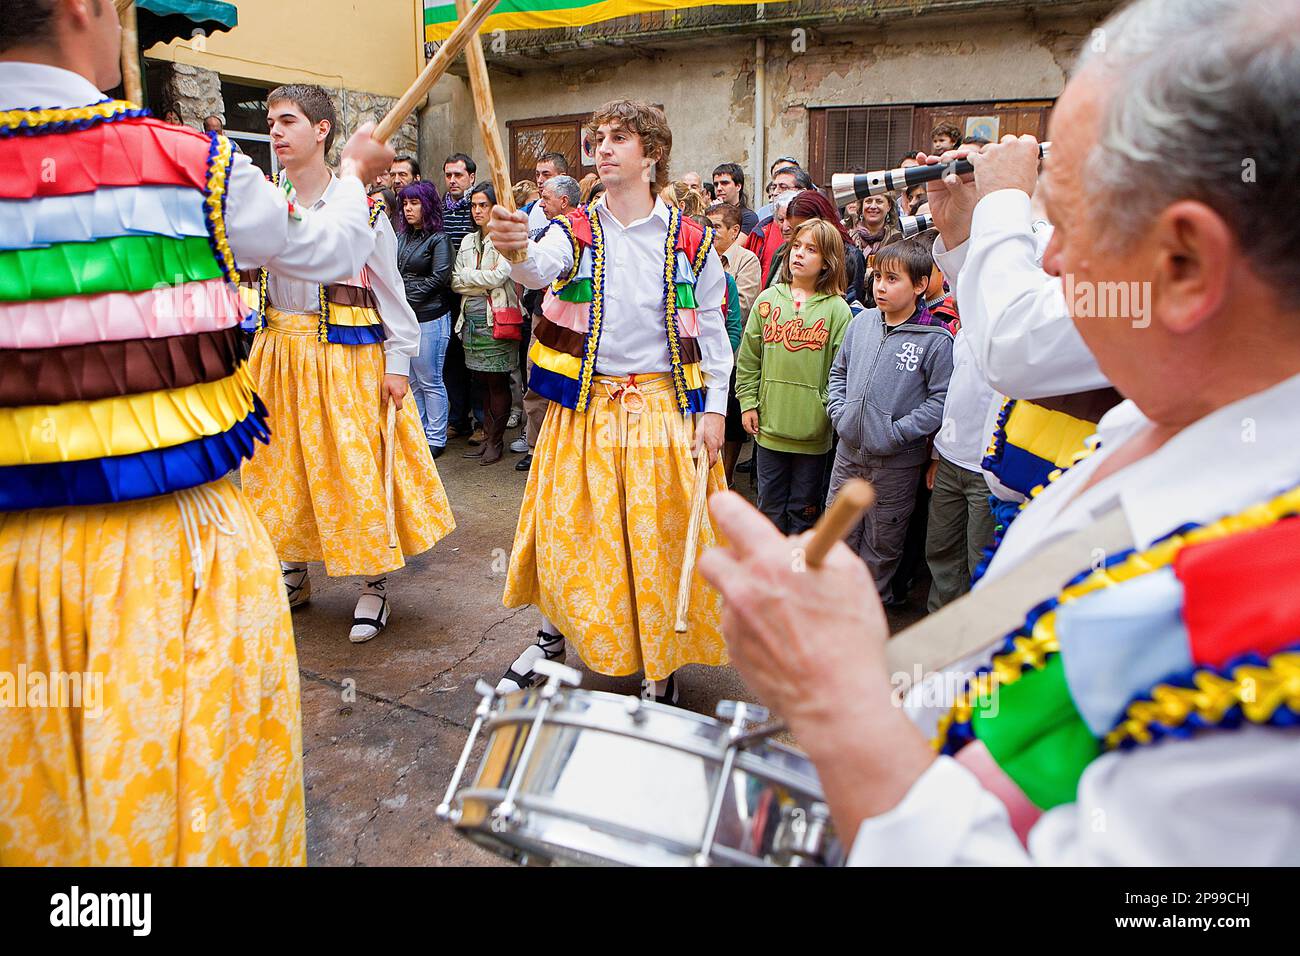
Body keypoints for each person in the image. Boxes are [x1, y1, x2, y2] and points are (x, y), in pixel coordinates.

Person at [701, 0, 1300, 867]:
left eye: (1067, 222)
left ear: (1184, 265)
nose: (1049, 260)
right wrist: (871, 666)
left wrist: (835, 701)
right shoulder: (1162, 419)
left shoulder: (1269, 617)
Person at [0, 0, 396, 865]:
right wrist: (361, 173)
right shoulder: (192, 167)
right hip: (157, 565)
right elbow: (324, 250)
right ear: (86, 8)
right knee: (176, 800)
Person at [487, 99, 733, 706]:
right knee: (567, 527)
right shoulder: (572, 230)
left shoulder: (694, 243)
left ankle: (659, 659)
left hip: (662, 408)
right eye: (598, 137)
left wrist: (716, 412)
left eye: (619, 138)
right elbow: (537, 271)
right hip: (586, 406)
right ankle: (551, 640)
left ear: (652, 153)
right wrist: (516, 247)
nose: (602, 147)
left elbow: (715, 334)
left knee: (657, 538)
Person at [240, 84, 455, 644]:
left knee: (352, 471)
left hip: (346, 360)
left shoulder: (365, 208)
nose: (276, 131)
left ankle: (373, 581)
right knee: (278, 470)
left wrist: (400, 361)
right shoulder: (264, 199)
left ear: (322, 131)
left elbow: (391, 291)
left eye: (288, 120)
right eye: (271, 120)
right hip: (277, 357)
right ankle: (292, 570)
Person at [825, 239, 954, 594]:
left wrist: (896, 433)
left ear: (919, 285)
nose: (881, 286)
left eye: (893, 279)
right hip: (848, 454)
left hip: (895, 465)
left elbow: (941, 400)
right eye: (878, 276)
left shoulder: (936, 340)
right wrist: (839, 413)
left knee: (881, 545)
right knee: (837, 534)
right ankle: (832, 612)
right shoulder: (862, 322)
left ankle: (866, 617)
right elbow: (838, 373)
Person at [735, 220, 854, 533]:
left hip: (813, 437)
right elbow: (749, 359)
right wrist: (748, 402)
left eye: (811, 249)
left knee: (803, 512)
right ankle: (769, 576)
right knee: (768, 509)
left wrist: (823, 409)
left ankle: (797, 574)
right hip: (769, 428)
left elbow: (841, 372)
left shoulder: (838, 310)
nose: (799, 254)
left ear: (827, 261)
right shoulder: (767, 300)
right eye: (797, 246)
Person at [514, 173, 582, 472]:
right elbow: (537, 269)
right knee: (539, 381)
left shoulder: (586, 230)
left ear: (564, 201)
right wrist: (514, 246)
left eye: (547, 198)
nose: (541, 203)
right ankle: (536, 447)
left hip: (580, 329)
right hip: (546, 320)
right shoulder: (555, 233)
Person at [451, 183, 521, 466]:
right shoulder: (468, 240)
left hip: (498, 319)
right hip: (471, 321)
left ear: (495, 206)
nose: (477, 210)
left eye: (483, 205)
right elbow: (455, 281)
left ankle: (495, 442)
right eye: (474, 205)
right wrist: (477, 278)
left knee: (498, 382)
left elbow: (499, 278)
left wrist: (471, 278)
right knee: (481, 381)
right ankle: (488, 438)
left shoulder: (505, 238)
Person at [396, 180, 455, 459]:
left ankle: (436, 436)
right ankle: (418, 432)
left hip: (431, 316)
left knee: (430, 379)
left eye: (414, 203)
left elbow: (439, 278)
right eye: (405, 203)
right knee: (412, 380)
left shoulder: (439, 238)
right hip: (406, 317)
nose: (408, 208)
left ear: (427, 205)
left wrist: (403, 297)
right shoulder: (402, 237)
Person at [707, 201, 762, 487]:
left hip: (732, 353)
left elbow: (740, 307)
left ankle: (725, 480)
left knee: (729, 421)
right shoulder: (699, 258)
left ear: (734, 230)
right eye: (708, 226)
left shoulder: (745, 260)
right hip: (702, 355)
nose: (711, 233)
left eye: (716, 227)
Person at [441, 152, 478, 440]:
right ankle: (457, 418)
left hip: (472, 293)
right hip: (445, 296)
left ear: (471, 178)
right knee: (451, 359)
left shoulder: (477, 209)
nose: (452, 180)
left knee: (475, 358)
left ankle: (480, 419)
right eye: (449, 175)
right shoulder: (438, 210)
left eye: (458, 175)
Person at [784, 190, 867, 306]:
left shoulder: (851, 256)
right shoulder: (791, 251)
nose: (799, 252)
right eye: (795, 229)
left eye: (811, 249)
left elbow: (852, 305)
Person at [526, 150, 569, 234]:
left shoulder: (580, 212)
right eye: (537, 175)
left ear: (562, 177)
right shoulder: (528, 210)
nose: (539, 180)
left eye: (546, 175)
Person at [712, 161, 758, 236]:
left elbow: (734, 246)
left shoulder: (749, 217)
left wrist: (720, 212)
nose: (719, 188)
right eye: (716, 184)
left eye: (725, 183)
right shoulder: (710, 213)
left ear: (738, 187)